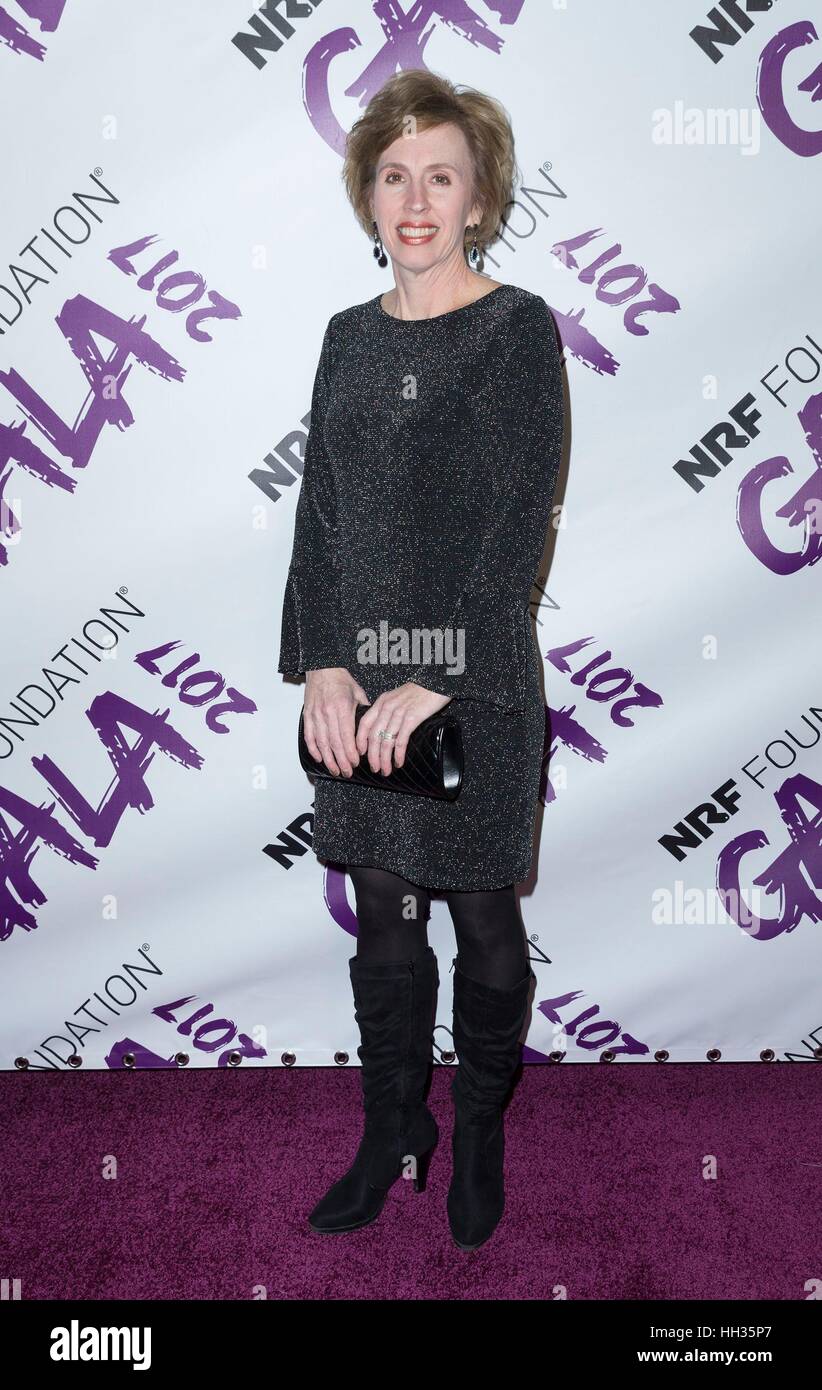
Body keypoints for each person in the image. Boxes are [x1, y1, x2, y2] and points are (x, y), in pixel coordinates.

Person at [277, 69, 565, 1251]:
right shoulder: (346, 338)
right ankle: (394, 1126)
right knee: (383, 914)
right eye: (394, 174)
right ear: (369, 194)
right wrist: (325, 668)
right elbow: (323, 512)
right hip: (361, 684)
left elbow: (520, 523)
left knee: (484, 917)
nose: (415, 198)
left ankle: (481, 1127)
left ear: (480, 197)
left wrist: (430, 670)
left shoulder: (516, 330)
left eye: (440, 176)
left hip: (475, 685)